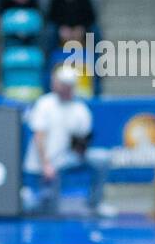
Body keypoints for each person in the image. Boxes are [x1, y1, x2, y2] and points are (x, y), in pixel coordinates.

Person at [22, 66, 111, 216]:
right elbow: (39, 136)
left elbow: (82, 139)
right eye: (61, 83)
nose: (64, 88)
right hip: (44, 163)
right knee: (46, 211)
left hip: (67, 159)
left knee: (102, 159)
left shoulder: (80, 109)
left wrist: (80, 150)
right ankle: (39, 199)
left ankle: (95, 203)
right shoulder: (44, 104)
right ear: (55, 84)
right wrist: (46, 165)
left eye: (68, 85)